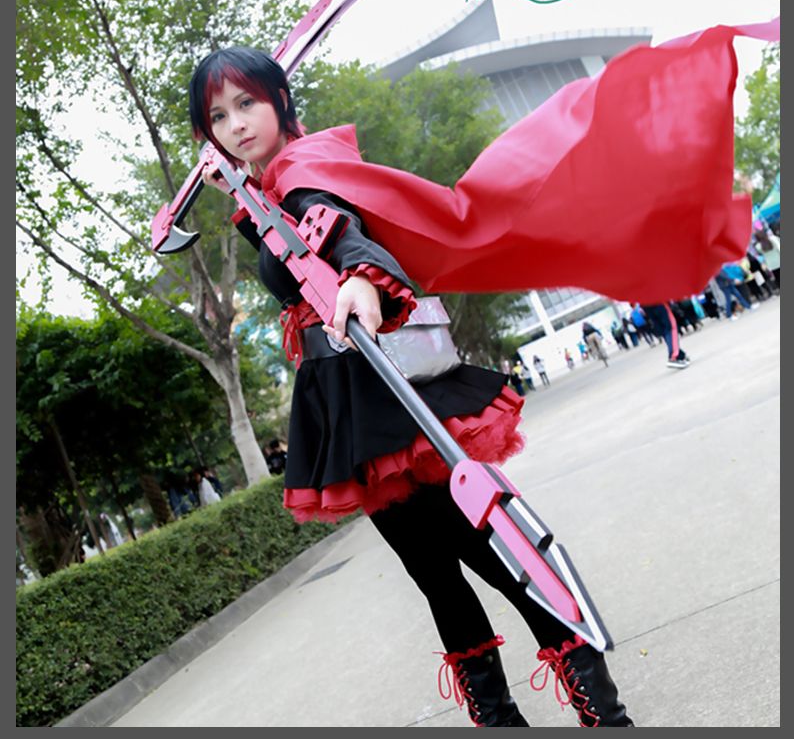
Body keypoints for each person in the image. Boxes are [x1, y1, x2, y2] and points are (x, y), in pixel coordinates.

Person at [189, 47, 633, 727]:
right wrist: (242, 199)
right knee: (434, 573)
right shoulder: (269, 186)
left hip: (386, 393)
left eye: (247, 102)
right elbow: (291, 247)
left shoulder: (306, 173)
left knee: (494, 553)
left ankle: (602, 707)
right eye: (219, 115)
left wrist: (363, 277)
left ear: (279, 98)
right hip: (349, 404)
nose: (237, 123)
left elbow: (340, 230)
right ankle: (500, 717)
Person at [640, 303, 690, 368]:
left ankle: (680, 355)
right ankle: (673, 356)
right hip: (659, 302)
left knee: (665, 331)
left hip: (646, 306)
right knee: (671, 328)